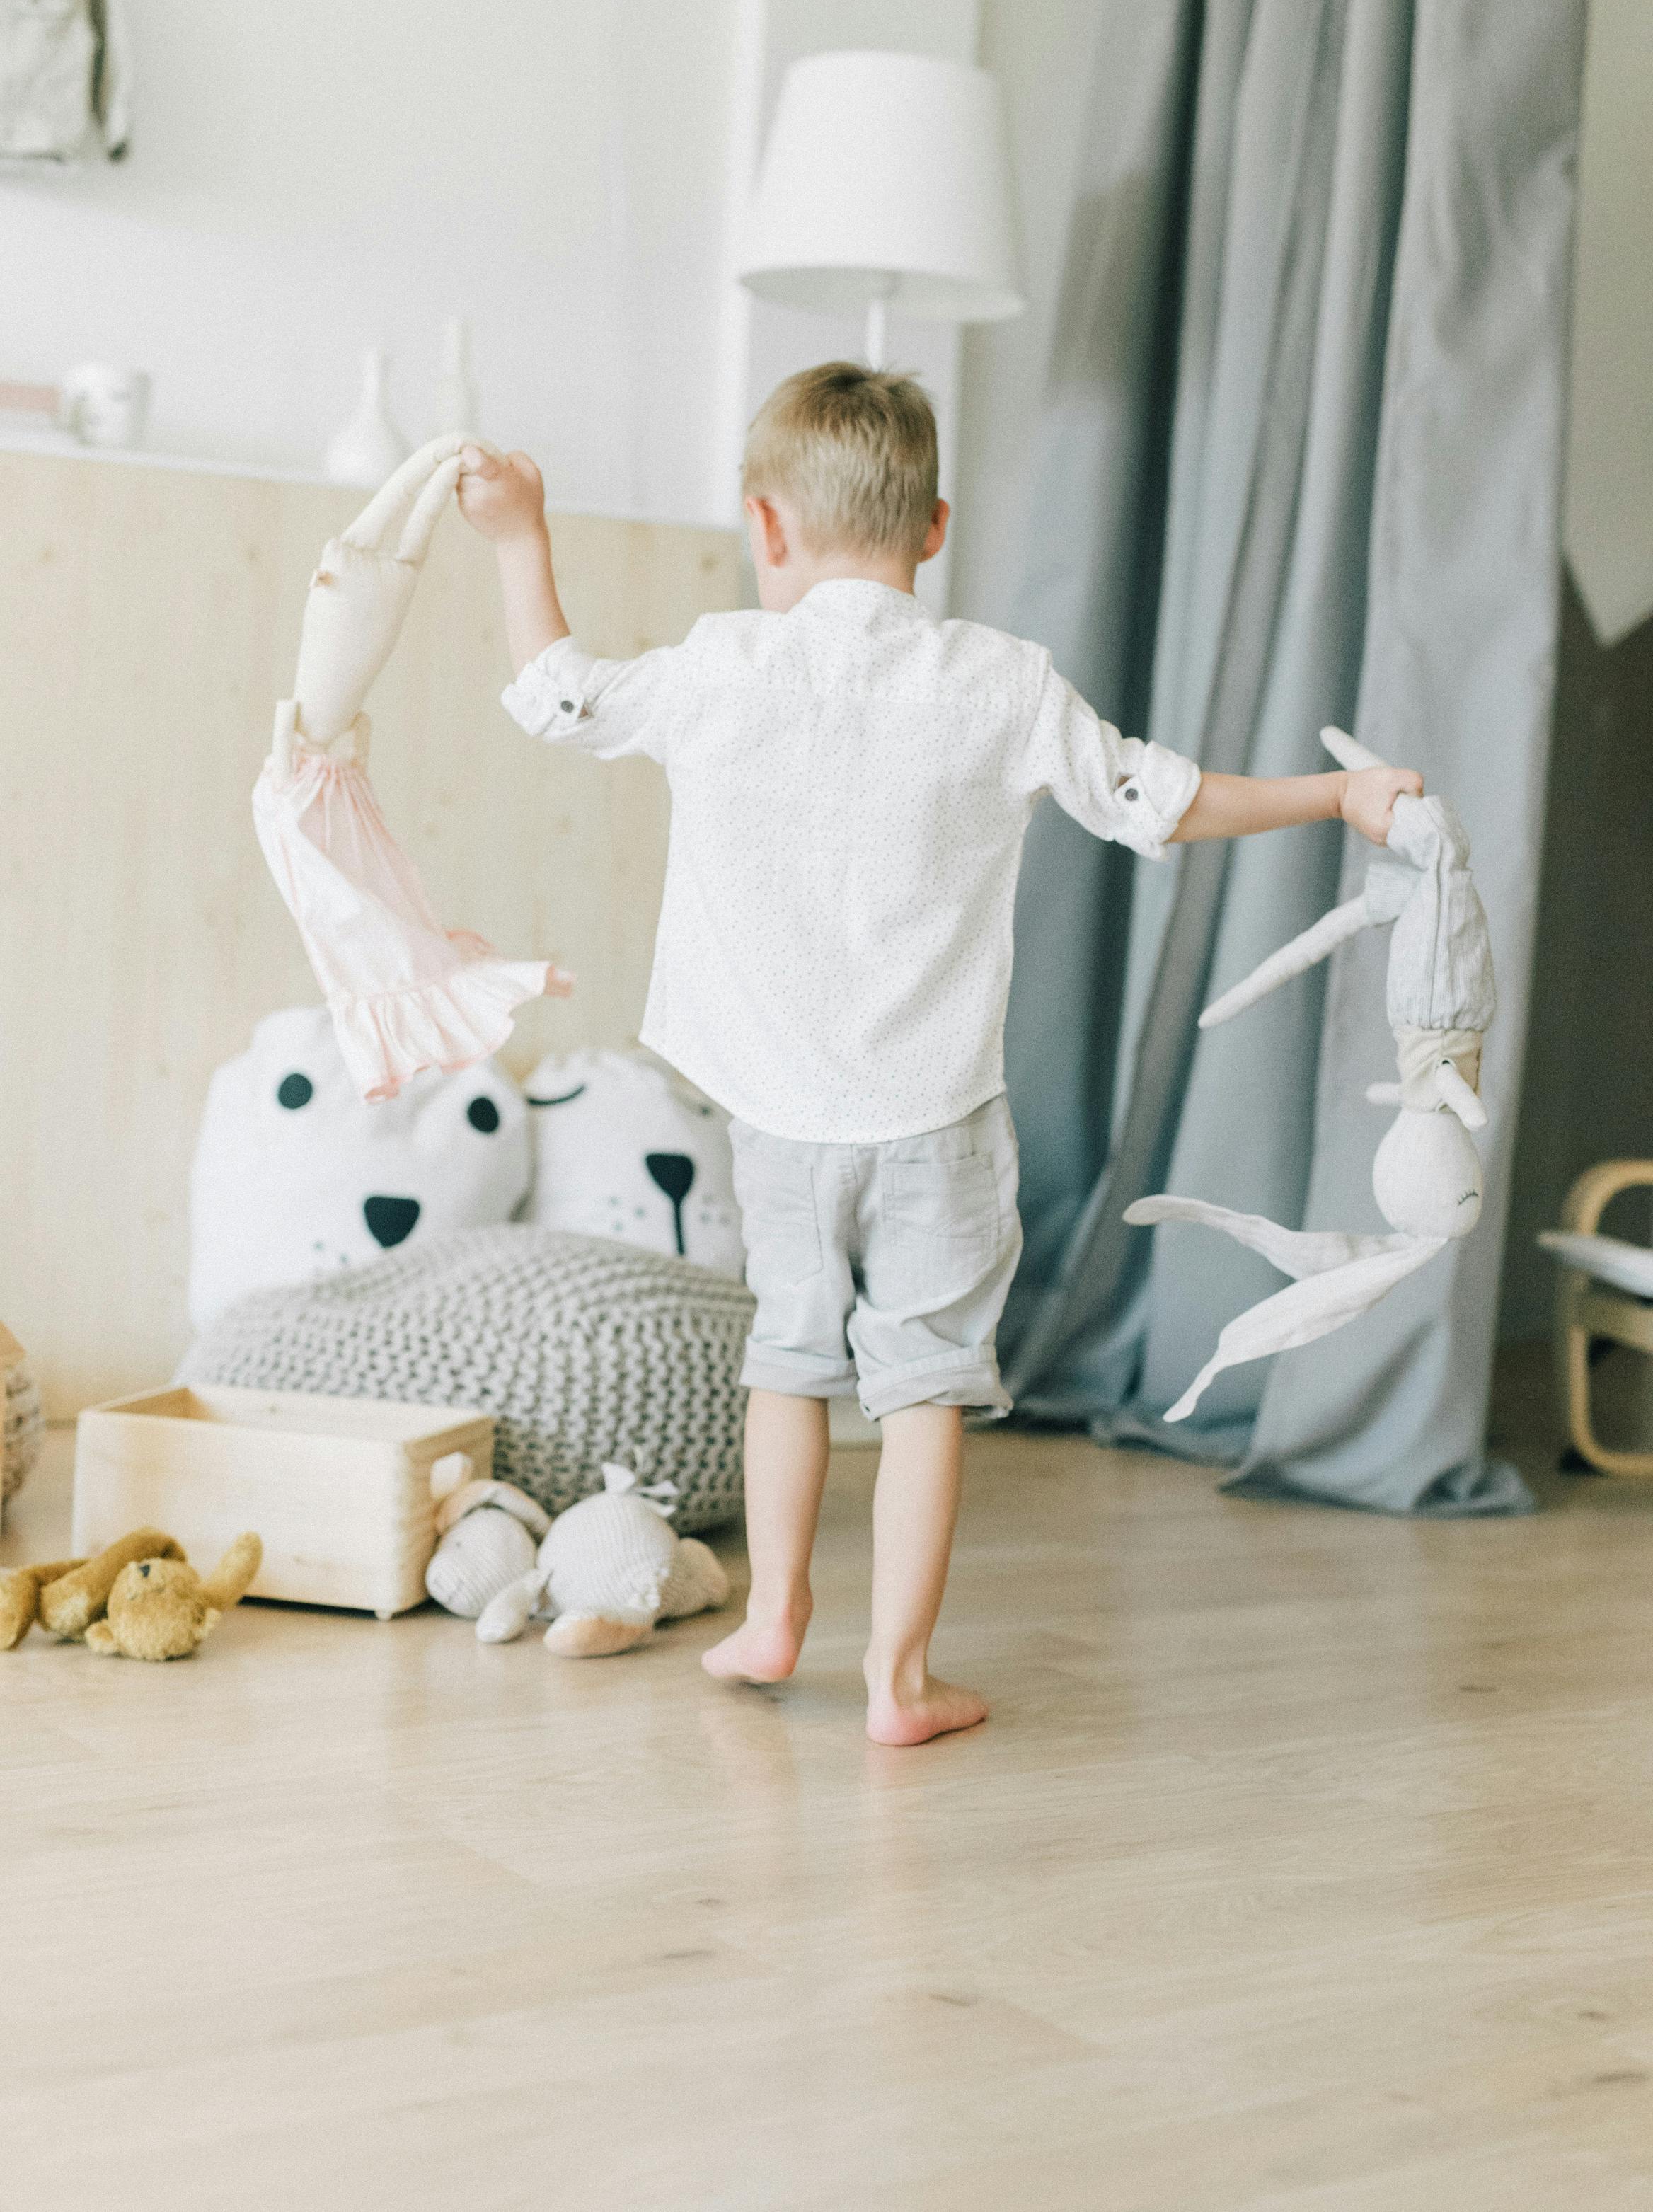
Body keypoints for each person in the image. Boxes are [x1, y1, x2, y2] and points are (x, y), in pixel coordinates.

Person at [459, 365, 1420, 1746]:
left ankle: (773, 1614)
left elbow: (553, 695)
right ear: (935, 528)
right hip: (938, 1118)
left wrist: (516, 536)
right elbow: (1164, 799)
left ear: (766, 529)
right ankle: (898, 1680)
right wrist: (1339, 791)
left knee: (786, 1363)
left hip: (777, 1120)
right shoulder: (999, 681)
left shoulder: (722, 662)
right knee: (924, 1392)